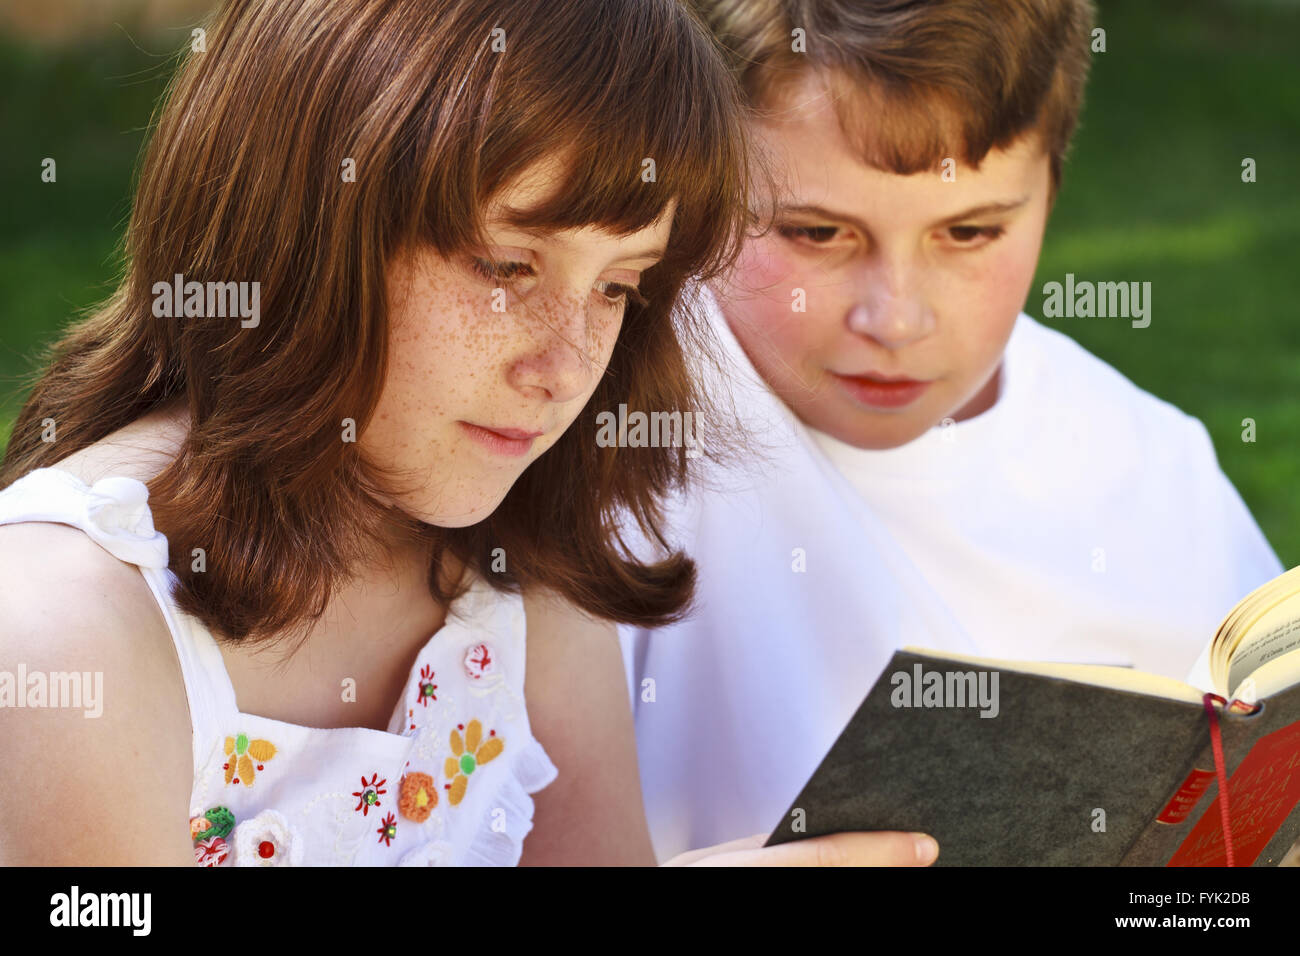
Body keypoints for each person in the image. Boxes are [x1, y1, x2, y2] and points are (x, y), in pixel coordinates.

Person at [0, 0, 928, 867]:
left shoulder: (520, 583)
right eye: (506, 265)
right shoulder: (62, 636)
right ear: (301, 227)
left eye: (617, 286)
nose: (563, 368)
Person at [622, 0, 1285, 862]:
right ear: (695, 178)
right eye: (817, 232)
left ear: (1052, 185)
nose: (896, 318)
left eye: (969, 232)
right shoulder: (599, 441)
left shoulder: (1157, 466)